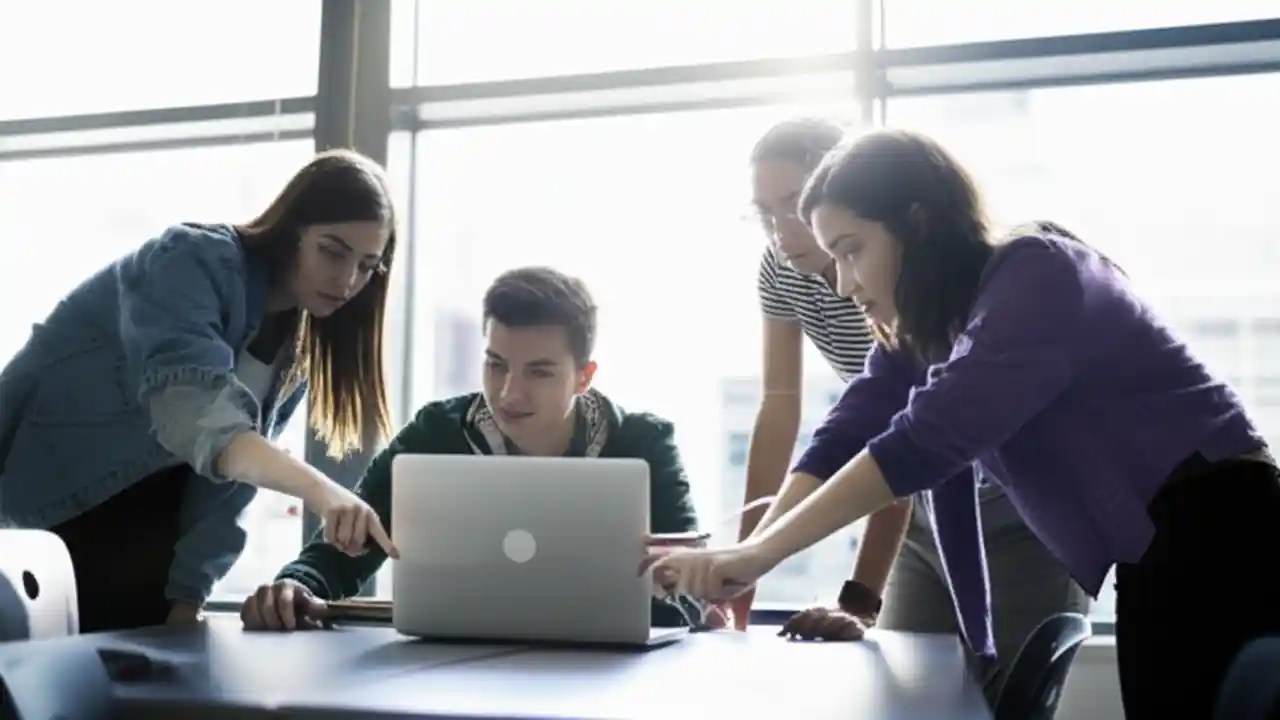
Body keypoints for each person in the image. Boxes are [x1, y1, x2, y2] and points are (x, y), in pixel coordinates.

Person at [646, 129, 1280, 719]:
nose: (841, 284)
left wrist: (758, 553)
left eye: (851, 250)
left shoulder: (1039, 272)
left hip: (1222, 522)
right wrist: (752, 555)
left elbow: (922, 442)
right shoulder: (929, 327)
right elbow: (846, 432)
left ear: (916, 225)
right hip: (1156, 545)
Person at [732, 118, 1087, 689]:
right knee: (907, 694)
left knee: (995, 696)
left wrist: (860, 593)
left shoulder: (917, 278)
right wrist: (745, 562)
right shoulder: (791, 272)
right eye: (764, 213)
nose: (779, 231)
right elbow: (797, 415)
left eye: (793, 204)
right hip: (929, 504)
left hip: (1016, 509)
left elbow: (908, 442)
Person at [0, 149, 400, 633]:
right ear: (291, 233)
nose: (348, 280)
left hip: (147, 546)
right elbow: (195, 413)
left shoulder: (294, 350)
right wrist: (322, 490)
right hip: (38, 513)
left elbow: (228, 485)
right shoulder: (188, 259)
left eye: (367, 265)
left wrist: (188, 598)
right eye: (333, 252)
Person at [241, 266, 709, 631]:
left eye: (539, 372)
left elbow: (690, 593)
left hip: (607, 673)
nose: (509, 393)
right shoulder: (434, 433)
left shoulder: (646, 443)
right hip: (450, 669)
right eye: (495, 364)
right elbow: (348, 548)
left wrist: (674, 587)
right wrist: (296, 586)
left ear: (584, 378)